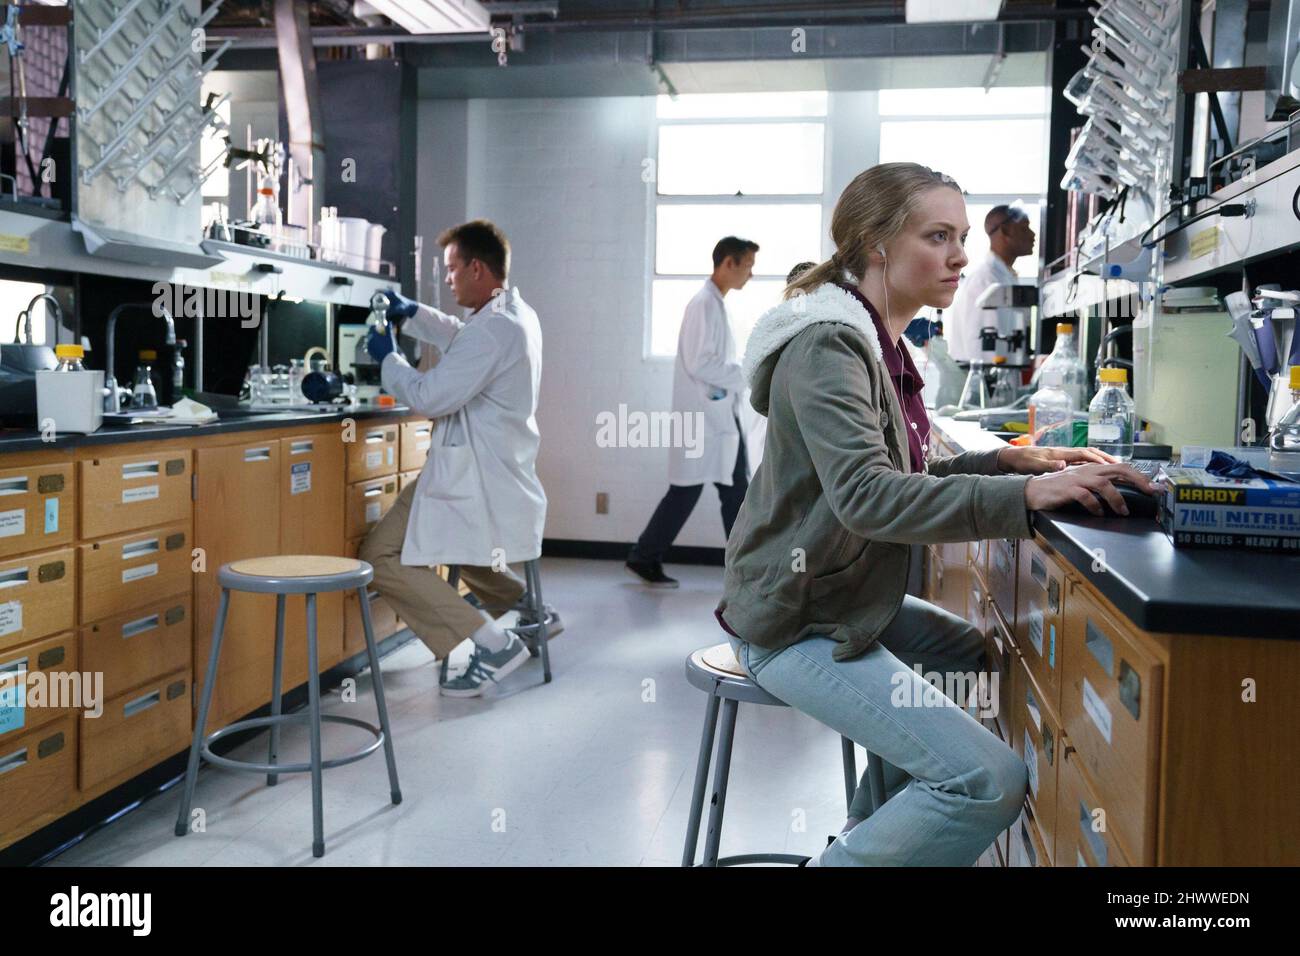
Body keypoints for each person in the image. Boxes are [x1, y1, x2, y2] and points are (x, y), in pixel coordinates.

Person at [714, 163, 1159, 866]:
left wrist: (1004, 465)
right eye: (938, 236)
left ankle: (866, 840)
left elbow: (903, 477)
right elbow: (868, 497)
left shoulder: (881, 339)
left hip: (844, 593)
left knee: (965, 656)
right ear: (877, 247)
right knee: (988, 781)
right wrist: (1022, 500)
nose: (959, 255)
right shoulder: (829, 345)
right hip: (791, 614)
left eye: (959, 234)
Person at [360, 219, 557, 697]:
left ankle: (493, 643)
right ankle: (532, 613)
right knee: (447, 540)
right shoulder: (513, 314)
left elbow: (429, 396)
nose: (447, 279)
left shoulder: (495, 329)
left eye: (452, 270)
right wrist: (412, 315)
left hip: (473, 479)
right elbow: (460, 337)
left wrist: (389, 358)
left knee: (381, 556)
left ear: (476, 268)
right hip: (494, 472)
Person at [625, 236, 758, 588]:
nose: (751, 274)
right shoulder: (704, 304)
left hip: (714, 416)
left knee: (727, 491)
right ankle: (743, 571)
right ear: (728, 262)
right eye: (748, 265)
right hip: (705, 418)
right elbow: (701, 363)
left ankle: (648, 555)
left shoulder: (715, 304)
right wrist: (748, 372)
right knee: (715, 491)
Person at [943, 204, 1036, 364]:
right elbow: (981, 348)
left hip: (1000, 378)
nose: (1033, 234)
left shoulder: (1004, 276)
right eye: (1024, 227)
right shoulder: (985, 280)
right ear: (1006, 231)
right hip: (988, 381)